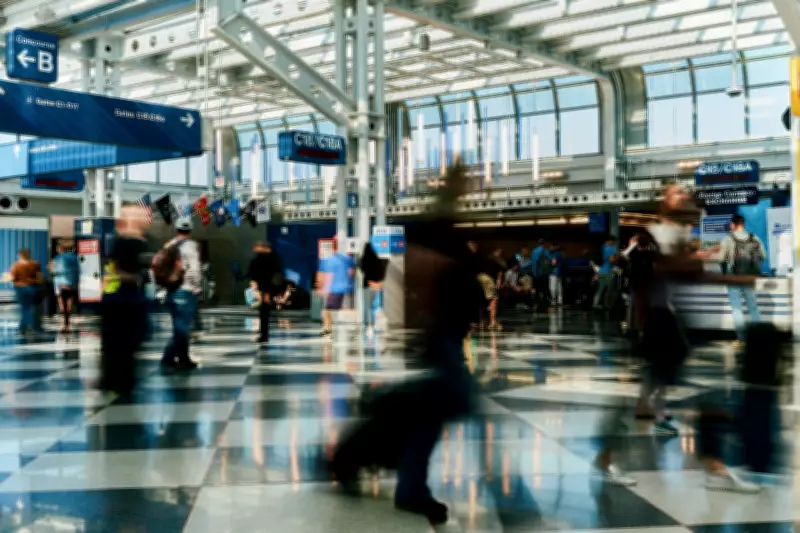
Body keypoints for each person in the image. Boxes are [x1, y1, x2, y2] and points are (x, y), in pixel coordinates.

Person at [100, 204, 150, 396]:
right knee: (122, 343)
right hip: (121, 301)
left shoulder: (128, 242)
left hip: (121, 300)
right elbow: (120, 271)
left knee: (123, 344)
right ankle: (117, 380)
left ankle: (116, 379)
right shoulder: (127, 243)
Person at [715, 214, 765, 345]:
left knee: (737, 309)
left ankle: (741, 339)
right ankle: (758, 337)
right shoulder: (755, 238)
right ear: (743, 224)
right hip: (749, 277)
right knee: (753, 308)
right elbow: (763, 255)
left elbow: (720, 259)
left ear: (733, 224)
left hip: (734, 278)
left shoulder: (728, 239)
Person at [161, 217, 201, 370]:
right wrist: (197, 287)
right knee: (183, 327)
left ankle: (169, 357)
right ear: (190, 230)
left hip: (171, 290)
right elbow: (194, 269)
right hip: (186, 290)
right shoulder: (190, 246)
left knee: (178, 327)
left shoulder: (169, 244)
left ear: (176, 229)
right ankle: (182, 360)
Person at [247, 241, 285, 344]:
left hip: (267, 289)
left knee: (264, 312)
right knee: (263, 312)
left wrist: (270, 290)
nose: (255, 249)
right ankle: (263, 334)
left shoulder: (270, 259)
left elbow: (275, 275)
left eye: (257, 247)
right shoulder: (264, 259)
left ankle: (264, 335)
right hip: (264, 288)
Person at [317, 237, 355, 337]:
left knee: (327, 310)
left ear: (333, 246)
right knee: (345, 308)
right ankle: (351, 330)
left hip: (334, 289)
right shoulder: (349, 259)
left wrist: (324, 289)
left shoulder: (328, 259)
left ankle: (328, 328)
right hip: (347, 288)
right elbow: (351, 272)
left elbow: (328, 276)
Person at [7, 249, 43, 336]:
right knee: (33, 308)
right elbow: (39, 278)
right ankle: (36, 327)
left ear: (20, 255)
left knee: (24, 309)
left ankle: (22, 328)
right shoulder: (35, 264)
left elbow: (12, 278)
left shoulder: (16, 265)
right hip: (33, 288)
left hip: (20, 289)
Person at [359, 242, 387, 338]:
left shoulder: (364, 260)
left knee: (367, 306)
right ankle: (375, 323)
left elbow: (362, 269)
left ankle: (367, 324)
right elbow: (382, 272)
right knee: (375, 306)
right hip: (376, 286)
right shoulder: (377, 260)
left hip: (367, 285)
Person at [51, 241, 79, 333]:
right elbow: (78, 270)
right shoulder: (74, 257)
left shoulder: (58, 258)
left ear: (60, 249)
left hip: (61, 284)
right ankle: (68, 323)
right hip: (72, 283)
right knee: (69, 303)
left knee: (62, 304)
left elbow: (54, 270)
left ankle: (65, 324)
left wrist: (51, 268)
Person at [480, 248, 505, 329]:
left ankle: (480, 321)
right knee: (494, 299)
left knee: (480, 299)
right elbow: (500, 273)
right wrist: (499, 281)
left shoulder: (485, 259)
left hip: (479, 278)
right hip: (487, 278)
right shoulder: (497, 260)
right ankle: (493, 322)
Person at [593, 236, 618, 311]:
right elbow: (611, 260)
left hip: (600, 271)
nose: (613, 243)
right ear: (610, 241)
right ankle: (607, 305)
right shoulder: (610, 248)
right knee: (610, 289)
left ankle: (595, 305)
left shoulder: (602, 248)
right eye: (613, 241)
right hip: (607, 271)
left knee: (600, 289)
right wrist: (618, 256)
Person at [532, 239, 551, 311]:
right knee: (545, 291)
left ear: (537, 243)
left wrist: (535, 274)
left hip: (536, 275)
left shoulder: (534, 251)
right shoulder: (546, 251)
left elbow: (534, 263)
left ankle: (537, 305)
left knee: (537, 291)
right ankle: (545, 306)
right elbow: (550, 262)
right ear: (544, 244)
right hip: (544, 275)